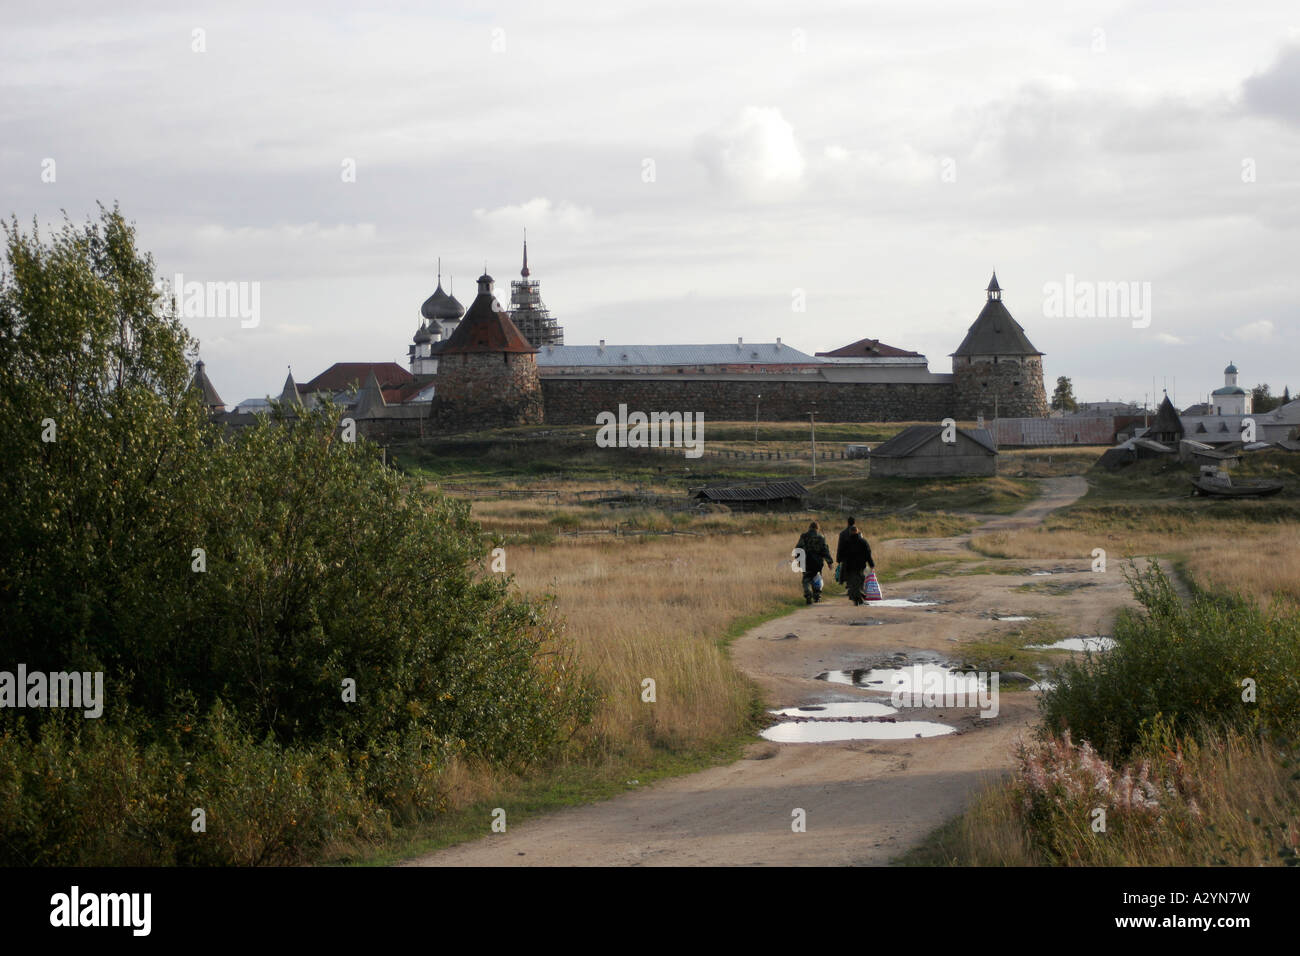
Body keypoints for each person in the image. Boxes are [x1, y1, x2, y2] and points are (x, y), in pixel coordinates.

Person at [835, 519, 875, 605]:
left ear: (850, 532)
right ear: (858, 532)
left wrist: (839, 560)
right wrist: (871, 564)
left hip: (849, 565)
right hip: (860, 565)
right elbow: (868, 554)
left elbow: (840, 551)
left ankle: (856, 597)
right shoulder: (863, 542)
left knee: (852, 582)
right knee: (859, 581)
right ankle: (858, 597)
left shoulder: (846, 542)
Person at [795, 521, 834, 604]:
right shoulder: (821, 537)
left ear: (809, 527)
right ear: (817, 528)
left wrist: (798, 559)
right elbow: (825, 550)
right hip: (817, 562)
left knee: (806, 579)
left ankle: (808, 593)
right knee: (817, 578)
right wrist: (829, 562)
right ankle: (817, 595)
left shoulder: (804, 536)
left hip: (806, 561)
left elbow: (798, 548)